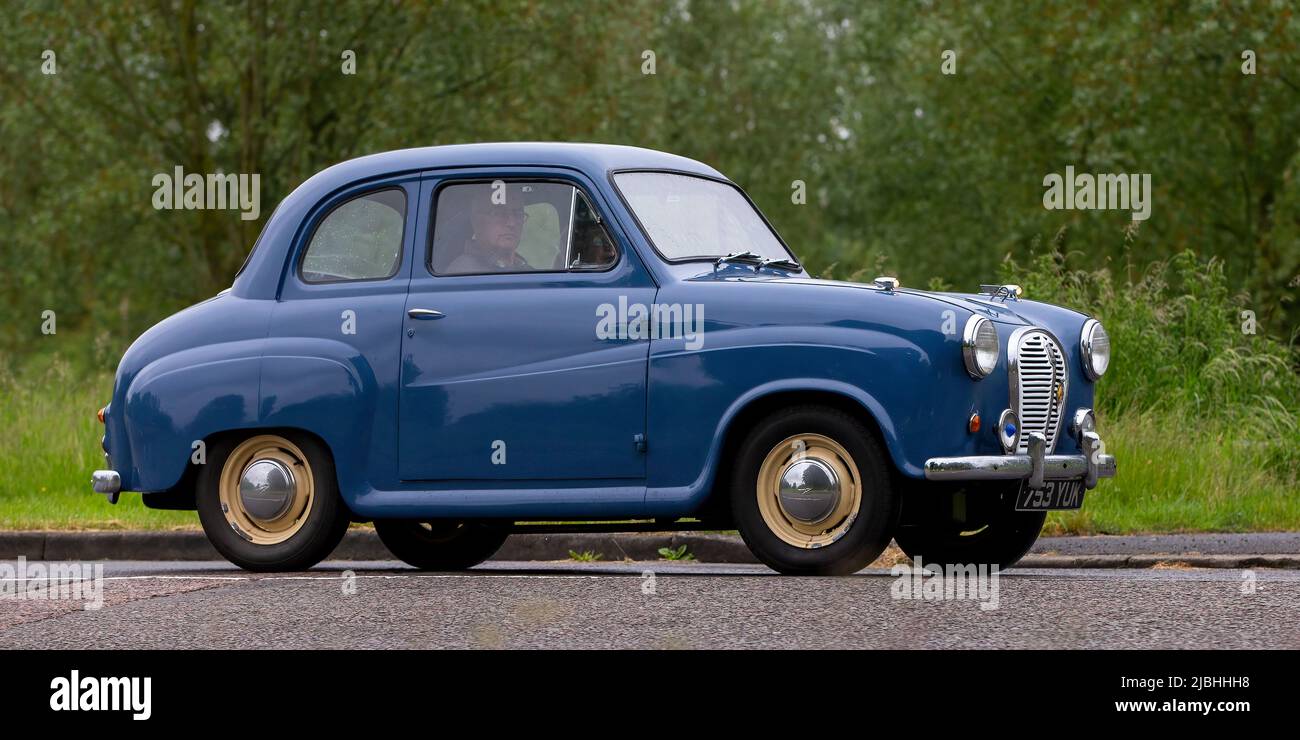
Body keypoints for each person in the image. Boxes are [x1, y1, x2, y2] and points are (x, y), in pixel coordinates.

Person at [446, 185, 533, 274]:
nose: (512, 223)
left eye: (518, 214)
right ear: (475, 221)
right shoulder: (464, 272)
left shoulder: (523, 267)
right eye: (498, 213)